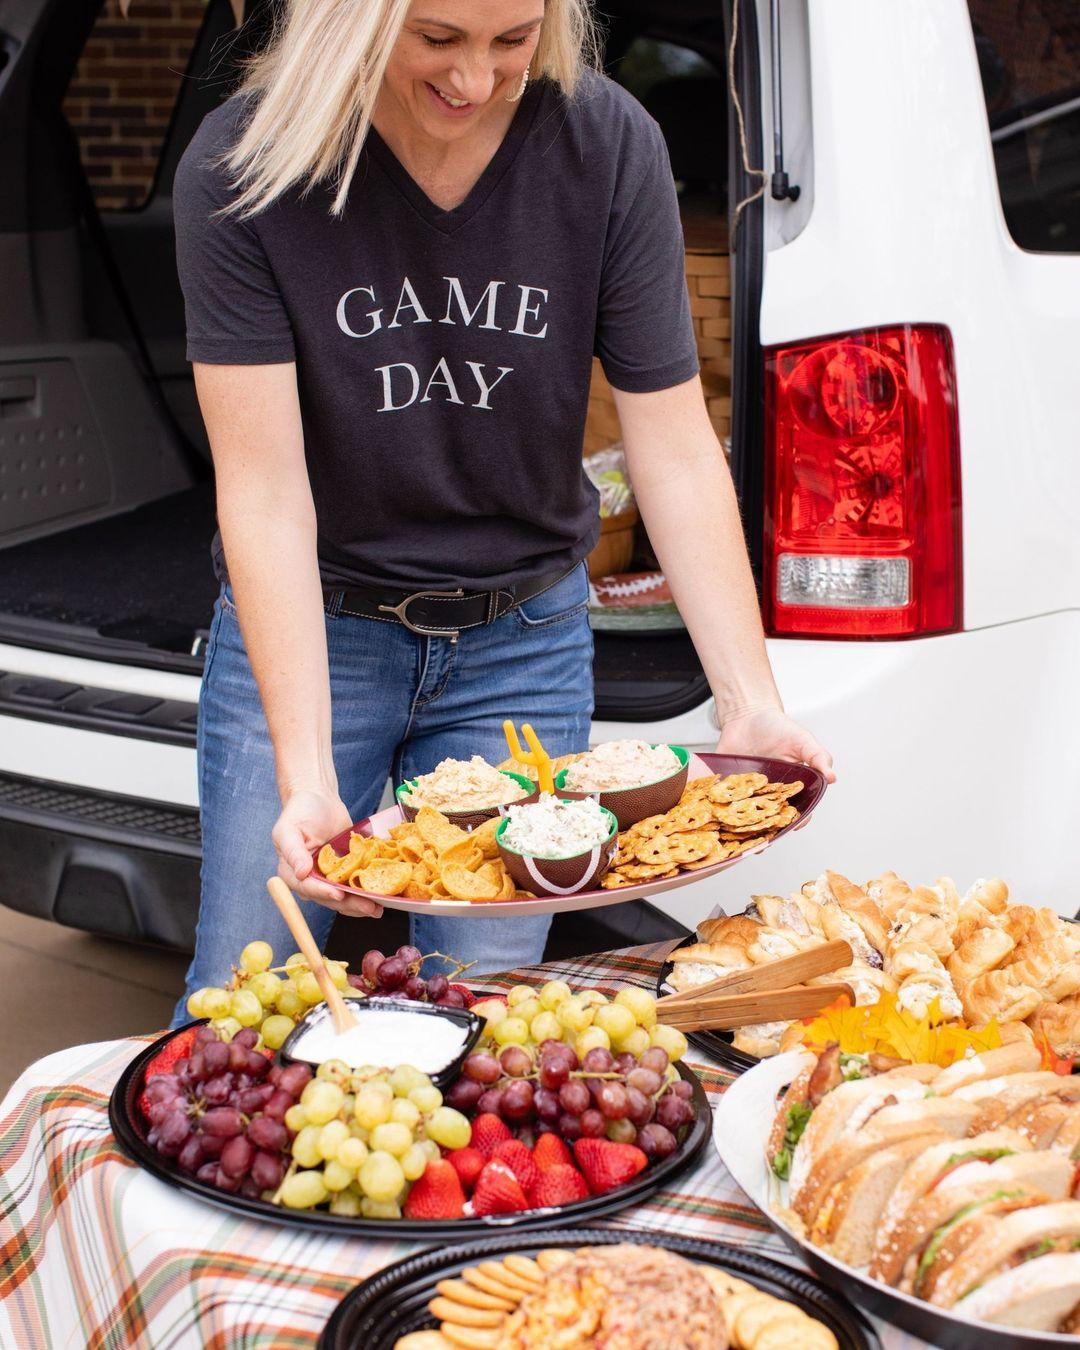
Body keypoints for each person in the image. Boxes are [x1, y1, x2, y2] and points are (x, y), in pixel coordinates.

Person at [170, 0, 833, 1024]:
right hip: (319, 635)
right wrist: (307, 774)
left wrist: (746, 701)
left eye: (512, 41)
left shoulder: (606, 144)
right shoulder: (246, 164)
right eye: (437, 39)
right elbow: (263, 493)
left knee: (491, 1017)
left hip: (521, 644)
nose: (474, 81)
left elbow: (672, 445)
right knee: (242, 1000)